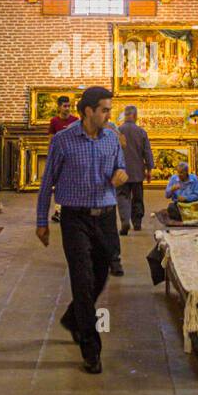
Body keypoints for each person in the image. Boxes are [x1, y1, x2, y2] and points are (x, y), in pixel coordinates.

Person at [36, 86, 128, 374]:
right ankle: (91, 348)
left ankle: (73, 317)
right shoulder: (63, 141)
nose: (108, 115)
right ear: (88, 111)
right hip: (74, 218)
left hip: (104, 217)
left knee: (100, 277)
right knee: (82, 278)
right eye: (104, 110)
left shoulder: (111, 139)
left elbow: (120, 167)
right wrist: (41, 221)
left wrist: (120, 176)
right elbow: (47, 180)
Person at [116, 105, 154, 235]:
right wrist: (149, 169)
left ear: (125, 116)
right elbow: (147, 152)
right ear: (135, 116)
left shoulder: (118, 131)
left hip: (121, 172)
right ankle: (137, 223)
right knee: (137, 198)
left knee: (122, 196)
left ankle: (125, 220)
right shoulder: (141, 132)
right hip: (137, 172)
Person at [48, 96, 78, 224]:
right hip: (59, 158)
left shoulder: (75, 121)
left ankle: (72, 208)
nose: (67, 108)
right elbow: (51, 140)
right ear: (59, 107)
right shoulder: (54, 121)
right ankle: (58, 210)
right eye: (65, 106)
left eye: (69, 106)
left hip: (72, 158)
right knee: (59, 184)